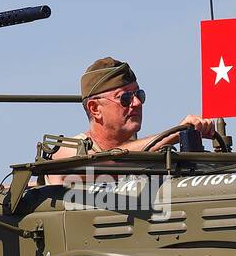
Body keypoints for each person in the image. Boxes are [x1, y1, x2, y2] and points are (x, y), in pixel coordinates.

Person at [45, 57, 218, 183]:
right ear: (95, 109)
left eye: (139, 95)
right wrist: (174, 134)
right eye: (125, 98)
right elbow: (96, 164)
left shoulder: (155, 155)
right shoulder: (67, 150)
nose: (136, 103)